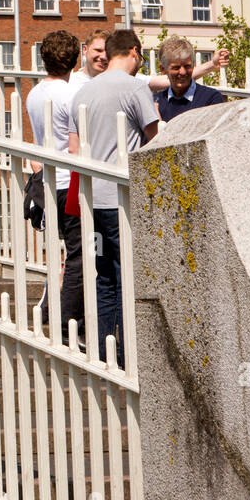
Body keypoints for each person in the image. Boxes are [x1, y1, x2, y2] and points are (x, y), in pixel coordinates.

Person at [68, 29, 159, 366]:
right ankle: (127, 353)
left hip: (93, 201)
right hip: (123, 200)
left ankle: (105, 348)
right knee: (126, 276)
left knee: (103, 275)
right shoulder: (134, 87)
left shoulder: (85, 90)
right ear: (134, 52)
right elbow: (154, 137)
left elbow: (74, 147)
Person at [25, 30, 85, 332]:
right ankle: (68, 320)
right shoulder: (72, 95)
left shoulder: (33, 94)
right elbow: (77, 146)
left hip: (47, 183)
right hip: (69, 183)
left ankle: (56, 311)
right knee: (79, 254)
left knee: (59, 249)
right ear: (75, 60)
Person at [72, 28, 229, 93]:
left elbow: (168, 79)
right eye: (97, 51)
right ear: (85, 50)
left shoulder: (127, 79)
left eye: (106, 52)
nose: (103, 57)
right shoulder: (72, 83)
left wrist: (211, 65)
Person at [154, 35, 225, 122]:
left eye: (187, 66)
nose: (183, 72)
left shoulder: (210, 99)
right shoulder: (155, 103)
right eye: (176, 68)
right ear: (163, 69)